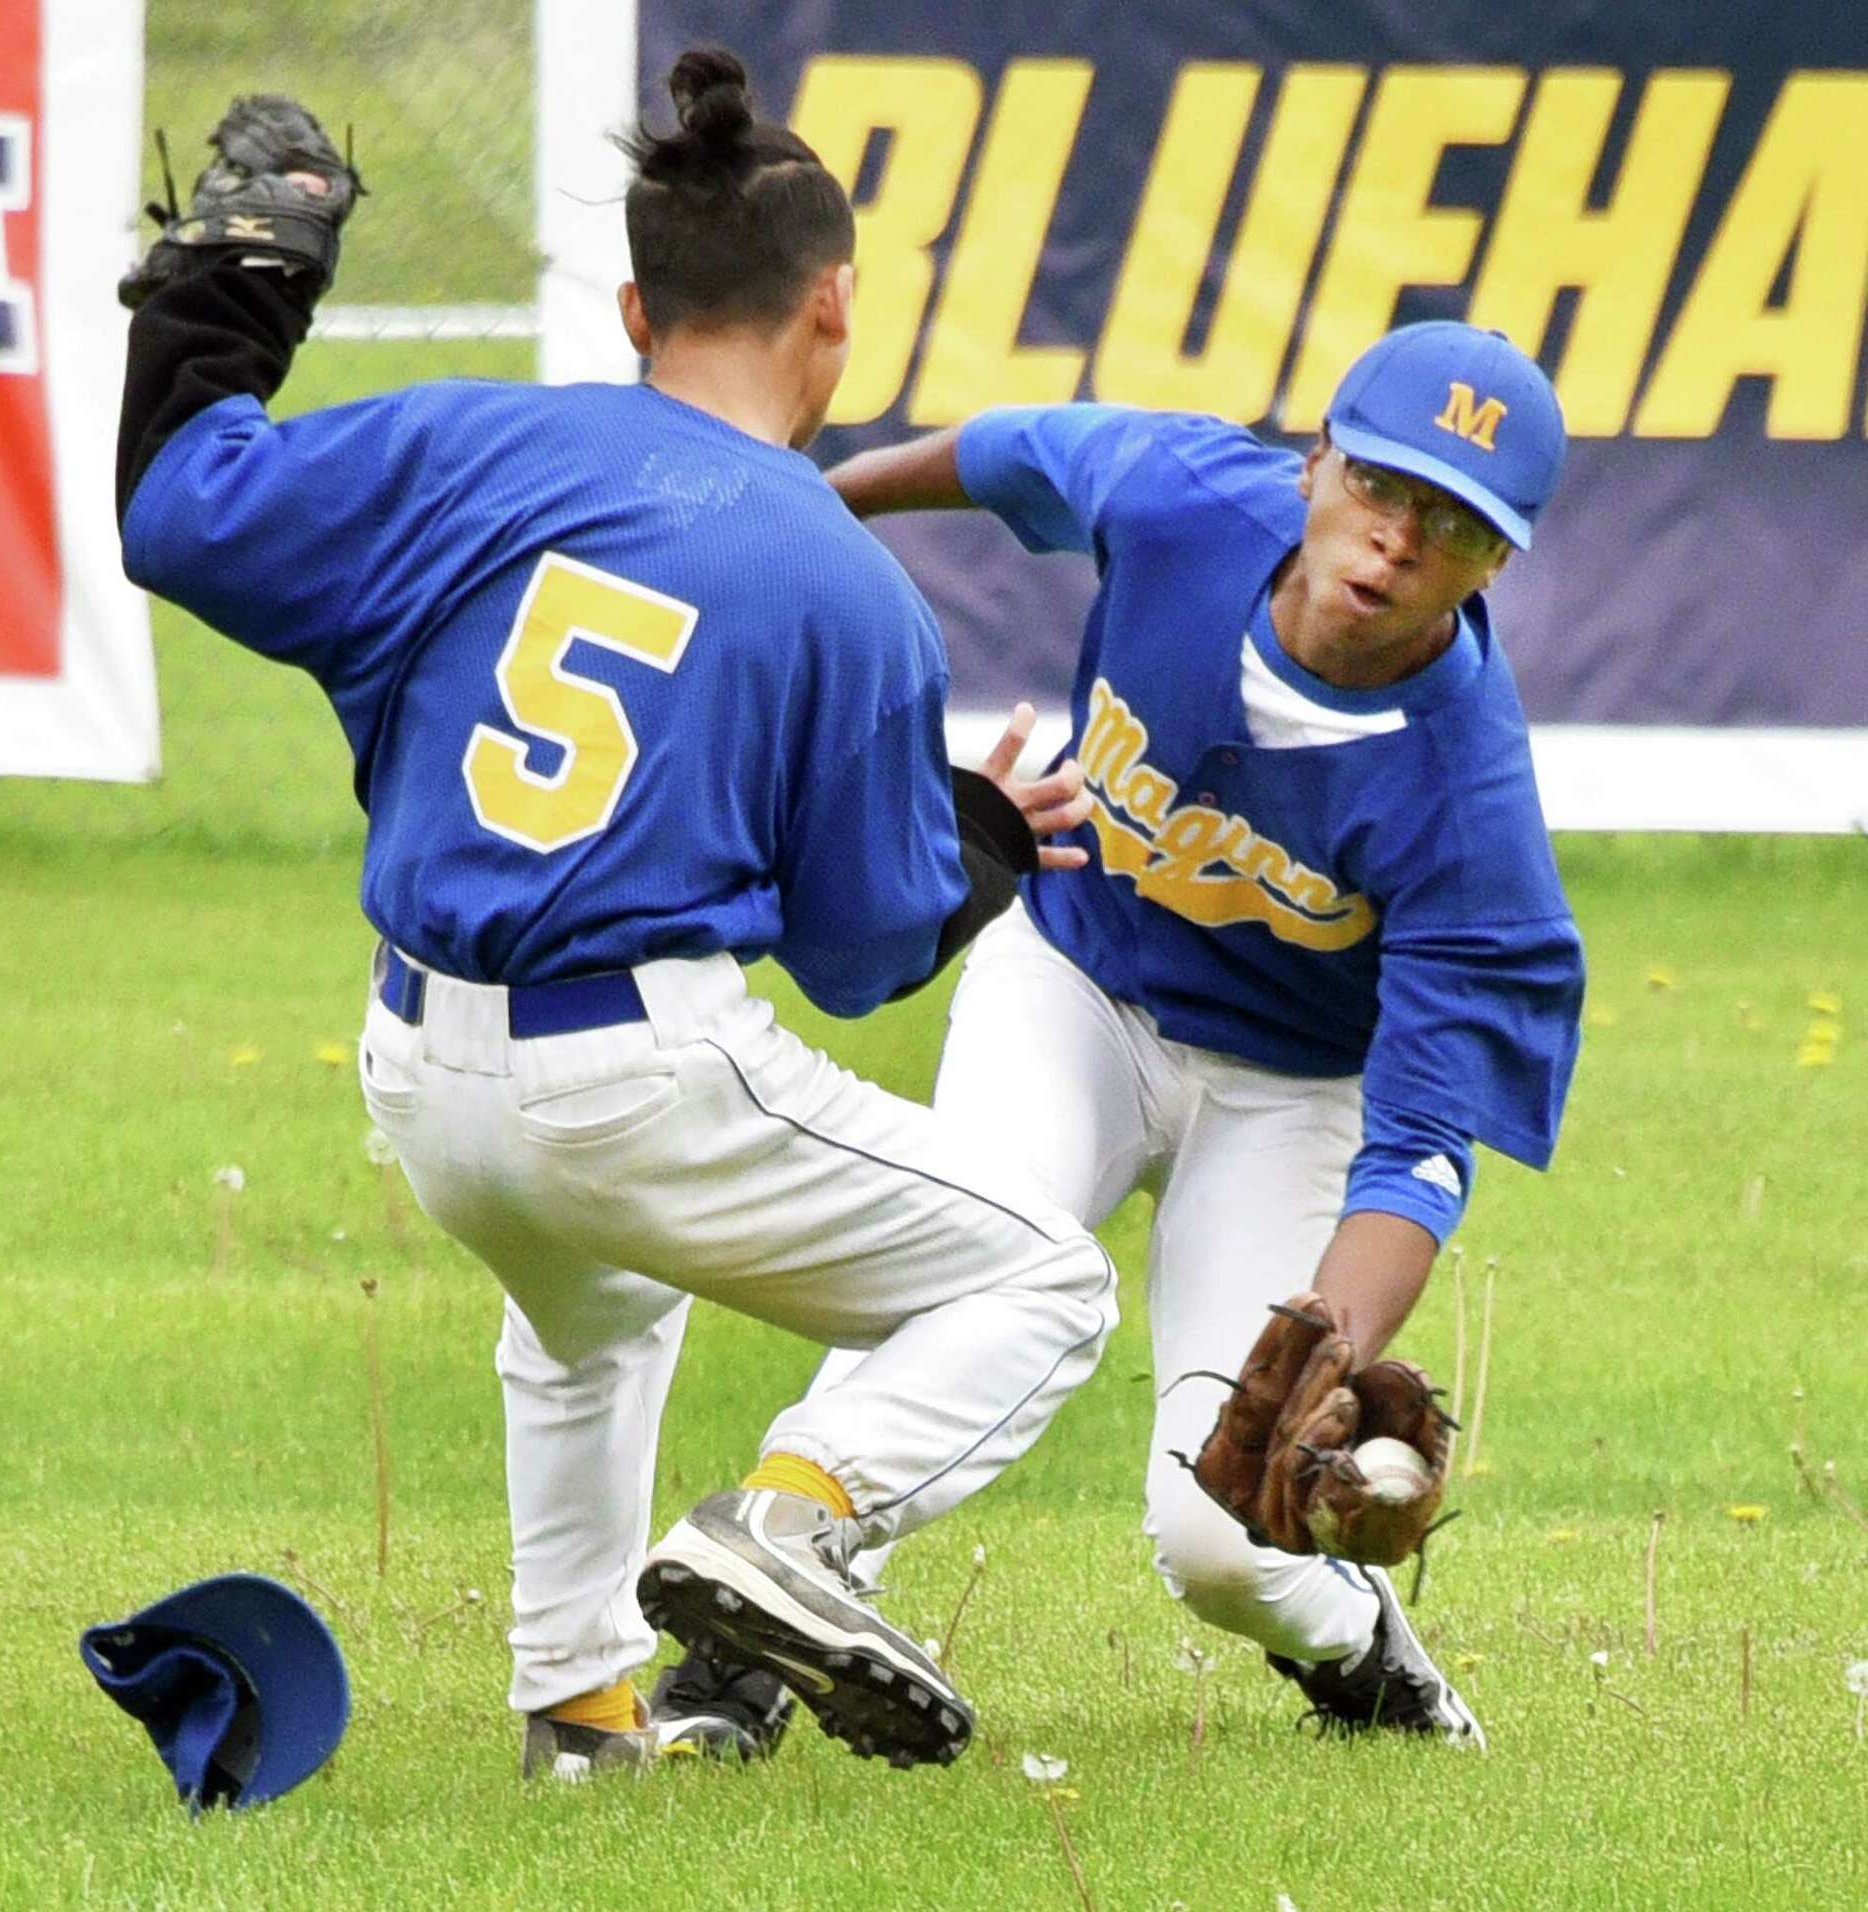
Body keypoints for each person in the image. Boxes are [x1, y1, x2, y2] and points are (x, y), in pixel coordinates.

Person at [113, 51, 1116, 1780]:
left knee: (590, 1314)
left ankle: (581, 1717)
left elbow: (180, 510)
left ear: (640, 304)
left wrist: (233, 286)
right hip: (636, 1074)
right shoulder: (845, 584)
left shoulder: (467, 437)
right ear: (837, 312)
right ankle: (789, 1528)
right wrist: (976, 836)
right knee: (1045, 1278)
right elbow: (865, 952)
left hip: (423, 1077)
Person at [664, 320, 1585, 1751]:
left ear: (1499, 565)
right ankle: (761, 1619)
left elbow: (1416, 1150)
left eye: (1457, 524)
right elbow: (1001, 451)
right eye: (1387, 485)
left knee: (1221, 1543)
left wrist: (1329, 1354)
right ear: (1316, 463)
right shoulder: (1181, 493)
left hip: (1287, 1094)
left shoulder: (1470, 810)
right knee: (956, 1266)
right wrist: (814, 502)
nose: (1403, 540)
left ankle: (1359, 1648)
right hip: (1076, 985)